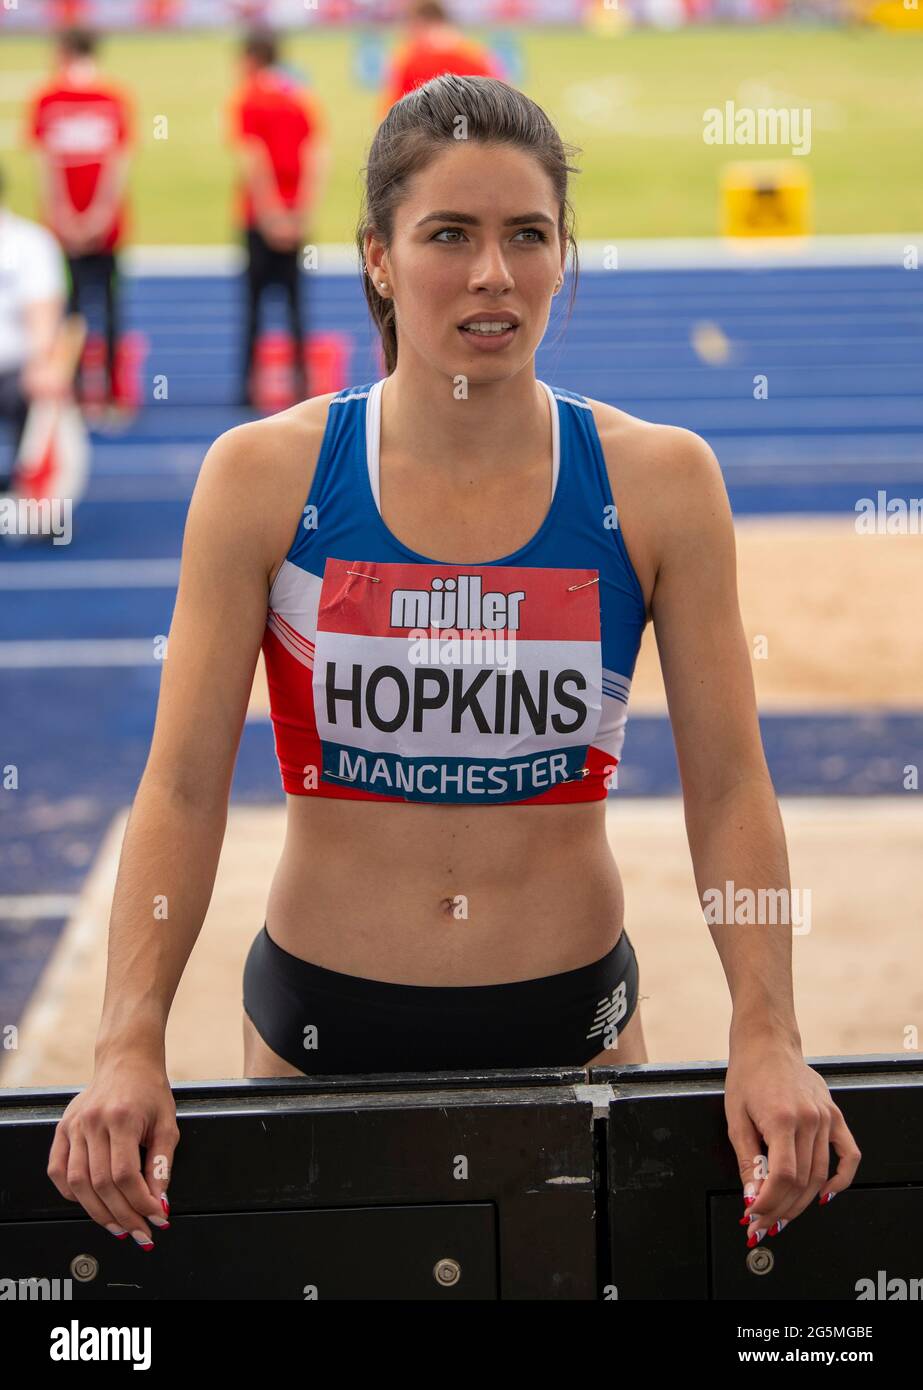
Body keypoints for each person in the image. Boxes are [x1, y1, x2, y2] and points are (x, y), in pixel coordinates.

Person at [47, 75, 860, 1255]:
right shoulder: (264, 477)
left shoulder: (658, 482)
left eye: (527, 235)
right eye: (449, 235)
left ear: (562, 255)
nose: (493, 274)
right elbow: (177, 785)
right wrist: (127, 1037)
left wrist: (766, 1029)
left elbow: (730, 782)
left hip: (570, 1029)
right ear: (376, 257)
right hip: (319, 1035)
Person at [25, 27, 133, 410]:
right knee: (108, 305)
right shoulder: (113, 97)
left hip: (65, 226)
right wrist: (101, 214)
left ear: (66, 51)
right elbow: (118, 164)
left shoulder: (47, 98)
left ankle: (66, 395)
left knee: (65, 310)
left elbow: (47, 165)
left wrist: (64, 216)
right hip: (105, 225)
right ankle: (111, 394)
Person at [227, 29, 330, 408]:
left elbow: (253, 161)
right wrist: (300, 213)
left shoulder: (249, 99)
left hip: (260, 219)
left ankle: (246, 391)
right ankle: (302, 385)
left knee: (253, 306)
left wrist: (271, 215)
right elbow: (316, 156)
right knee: (296, 305)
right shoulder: (299, 98)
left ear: (252, 58)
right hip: (296, 217)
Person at [0, 165, 69, 494]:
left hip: (16, 372)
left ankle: (32, 491)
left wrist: (42, 362)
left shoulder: (29, 243)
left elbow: (43, 312)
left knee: (46, 387)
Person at [379, 0, 504, 119]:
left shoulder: (410, 57)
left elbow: (390, 114)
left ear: (419, 22)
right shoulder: (475, 54)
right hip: (474, 133)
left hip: (427, 135)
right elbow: (501, 102)